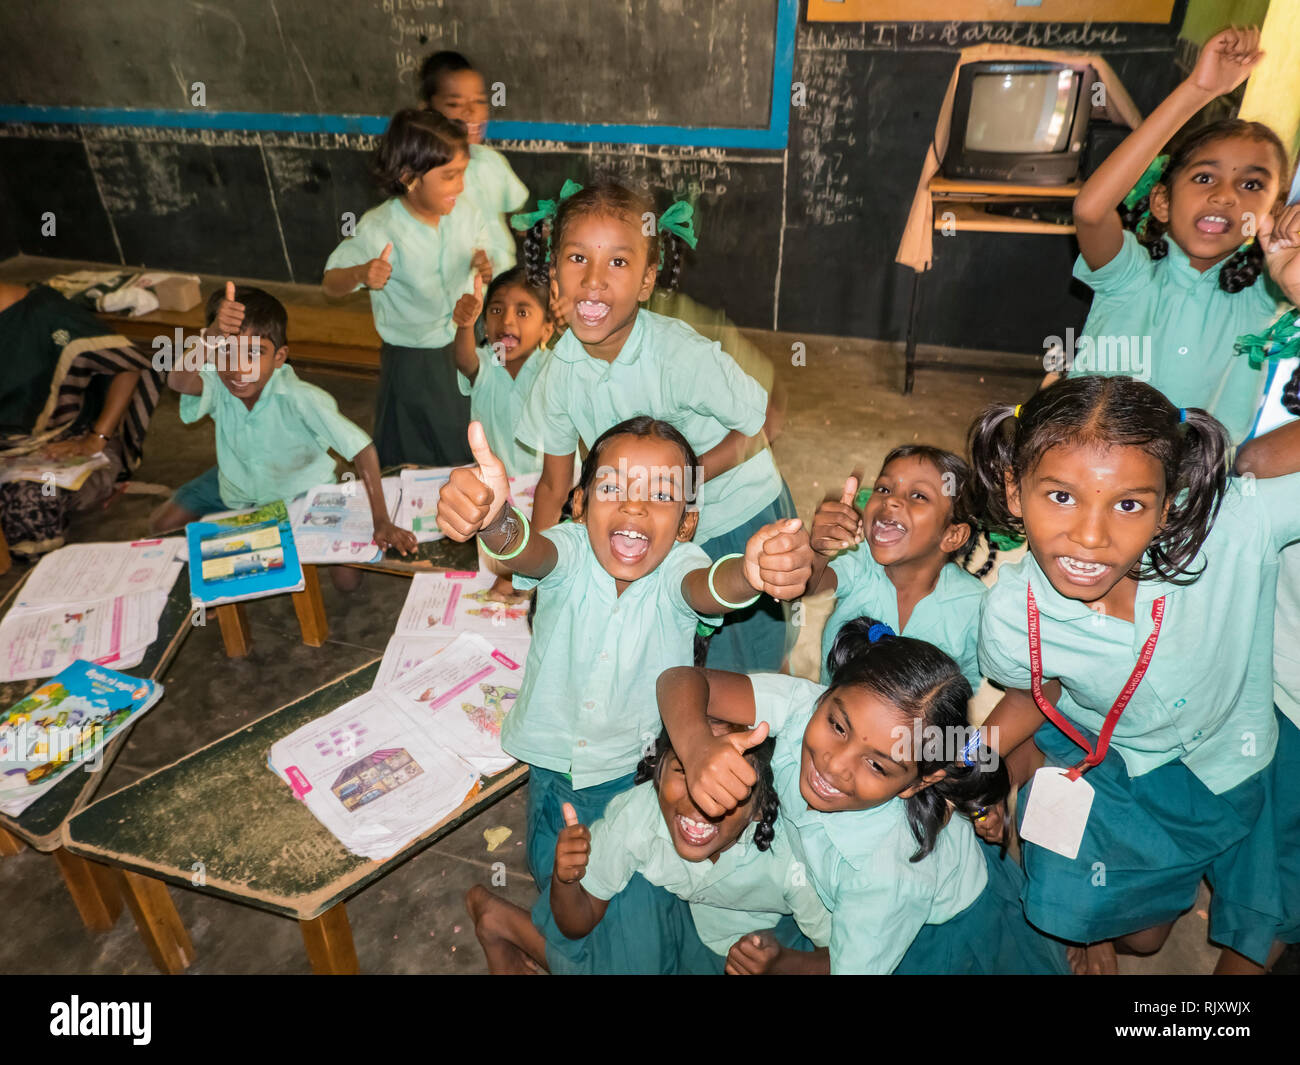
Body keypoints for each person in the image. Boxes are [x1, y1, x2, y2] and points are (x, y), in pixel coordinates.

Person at [436, 415, 812, 972]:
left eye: (661, 495)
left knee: (641, 941)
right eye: (614, 488)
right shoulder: (567, 552)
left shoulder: (682, 568)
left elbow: (710, 590)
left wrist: (750, 573)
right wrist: (495, 521)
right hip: (557, 786)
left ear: (686, 525)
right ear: (581, 504)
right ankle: (506, 921)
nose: (634, 508)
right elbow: (526, 550)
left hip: (643, 788)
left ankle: (504, 923)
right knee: (585, 913)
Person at [969, 374, 1296, 974]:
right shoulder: (1011, 617)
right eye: (1061, 496)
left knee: (1225, 922)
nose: (1091, 537)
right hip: (1111, 764)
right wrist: (969, 762)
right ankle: (1096, 882)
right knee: (1129, 933)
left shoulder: (1236, 530)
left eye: (1128, 504)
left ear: (1169, 504)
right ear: (1015, 493)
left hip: (1235, 763)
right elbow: (1037, 690)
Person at [658, 617, 1068, 974]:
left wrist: (783, 965)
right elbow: (681, 680)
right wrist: (696, 747)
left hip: (945, 936)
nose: (835, 765)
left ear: (916, 783)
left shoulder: (886, 876)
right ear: (829, 692)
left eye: (877, 765)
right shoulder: (805, 705)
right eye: (838, 726)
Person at [514, 181, 794, 670]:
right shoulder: (560, 371)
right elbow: (556, 481)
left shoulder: (679, 356)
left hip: (737, 519)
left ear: (647, 281)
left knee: (744, 671)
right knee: (674, 663)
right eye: (578, 258)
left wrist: (683, 481)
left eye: (618, 263)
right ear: (554, 271)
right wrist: (536, 569)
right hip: (654, 525)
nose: (595, 280)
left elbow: (766, 420)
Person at [1065, 26, 1299, 446]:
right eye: (1204, 176)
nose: (1224, 196)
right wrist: (1198, 90)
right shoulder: (1130, 273)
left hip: (1190, 496)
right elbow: (1090, 210)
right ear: (1162, 202)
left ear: (1272, 214)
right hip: (1090, 475)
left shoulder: (1263, 294)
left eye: (1251, 185)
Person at [464, 721, 830, 974]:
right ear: (657, 773)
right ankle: (503, 922)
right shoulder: (638, 815)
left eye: (731, 781)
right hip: (675, 917)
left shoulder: (792, 854)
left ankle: (503, 922)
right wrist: (566, 880)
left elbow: (849, 959)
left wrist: (781, 965)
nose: (701, 798)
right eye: (684, 769)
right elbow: (577, 923)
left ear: (760, 808)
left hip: (761, 939)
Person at [149, 285, 415, 576]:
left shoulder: (301, 398)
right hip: (236, 483)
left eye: (253, 353)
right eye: (226, 352)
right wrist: (211, 335)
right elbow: (178, 382)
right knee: (163, 524)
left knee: (347, 579)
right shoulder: (217, 383)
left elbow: (362, 448)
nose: (239, 369)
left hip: (301, 491)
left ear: (279, 357)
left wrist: (381, 520)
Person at [323, 109, 493, 467]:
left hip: (465, 341)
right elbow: (331, 282)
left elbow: (479, 243)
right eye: (449, 176)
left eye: (463, 173)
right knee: (424, 452)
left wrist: (481, 259)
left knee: (474, 435)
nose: (460, 186)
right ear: (409, 178)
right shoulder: (380, 227)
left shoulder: (464, 212)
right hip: (414, 360)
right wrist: (361, 272)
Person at [0, 282, 164, 558]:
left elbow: (128, 364)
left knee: (29, 510)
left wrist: (96, 438)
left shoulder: (45, 314)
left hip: (63, 443)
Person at [809, 445, 985, 689]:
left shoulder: (973, 605)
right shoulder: (859, 560)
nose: (891, 500)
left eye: (919, 496)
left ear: (952, 535)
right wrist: (819, 553)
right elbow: (808, 584)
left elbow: (964, 688)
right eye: (883, 489)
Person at [419, 50, 529, 271]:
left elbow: (517, 215)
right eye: (454, 104)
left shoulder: (492, 162)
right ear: (427, 110)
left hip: (501, 284)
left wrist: (540, 227)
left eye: (479, 101)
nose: (471, 111)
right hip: (452, 288)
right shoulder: (422, 171)